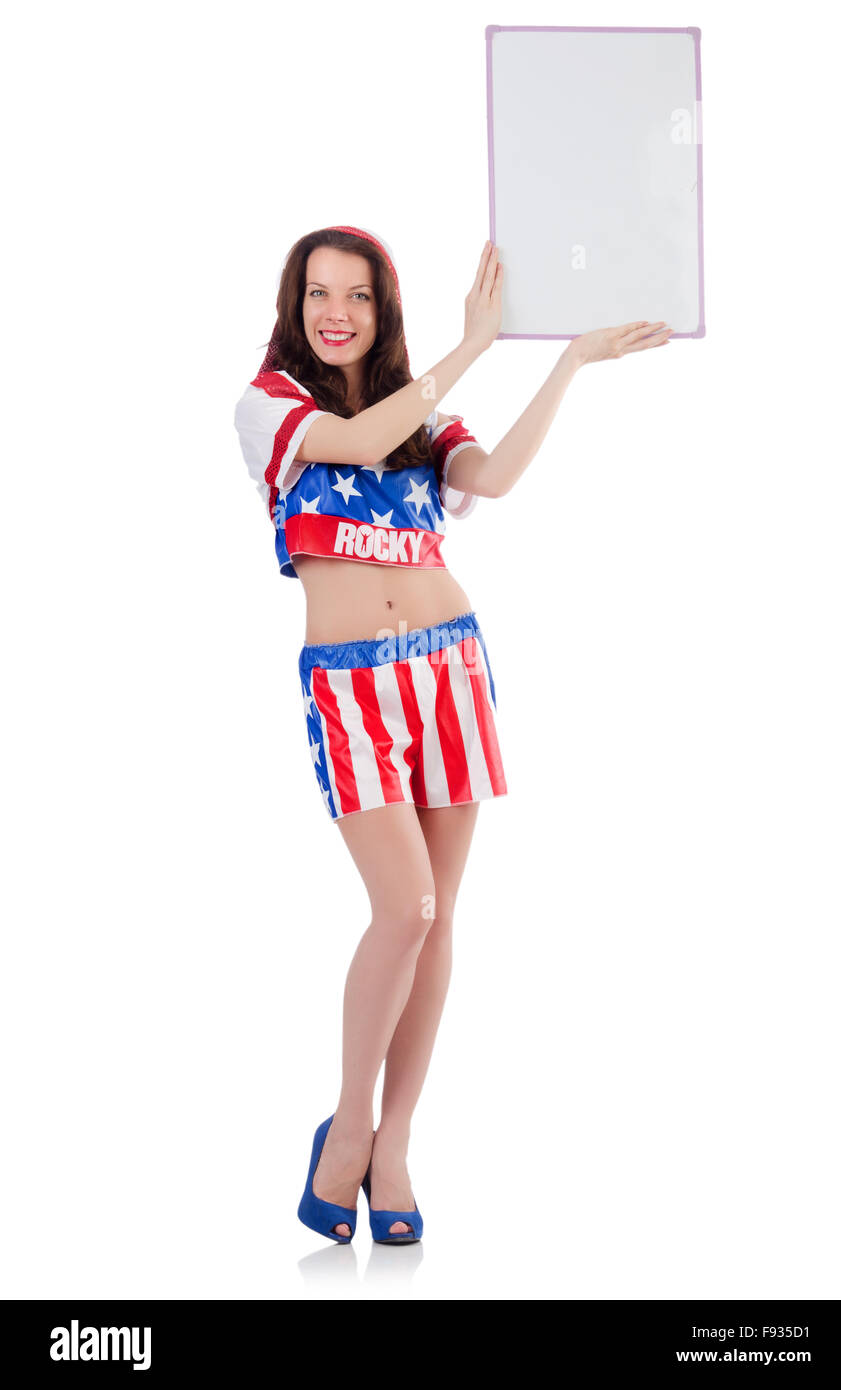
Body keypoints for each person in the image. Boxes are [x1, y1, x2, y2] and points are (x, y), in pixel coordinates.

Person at [234, 225, 672, 1244]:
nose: (335, 311)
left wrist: (566, 363)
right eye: (316, 296)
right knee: (406, 906)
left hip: (450, 671)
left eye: (357, 295)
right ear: (294, 312)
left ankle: (395, 1144)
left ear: (385, 311)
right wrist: (475, 343)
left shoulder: (426, 420)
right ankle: (346, 1128)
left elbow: (496, 475)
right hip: (349, 691)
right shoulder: (272, 410)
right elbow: (350, 442)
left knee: (437, 917)